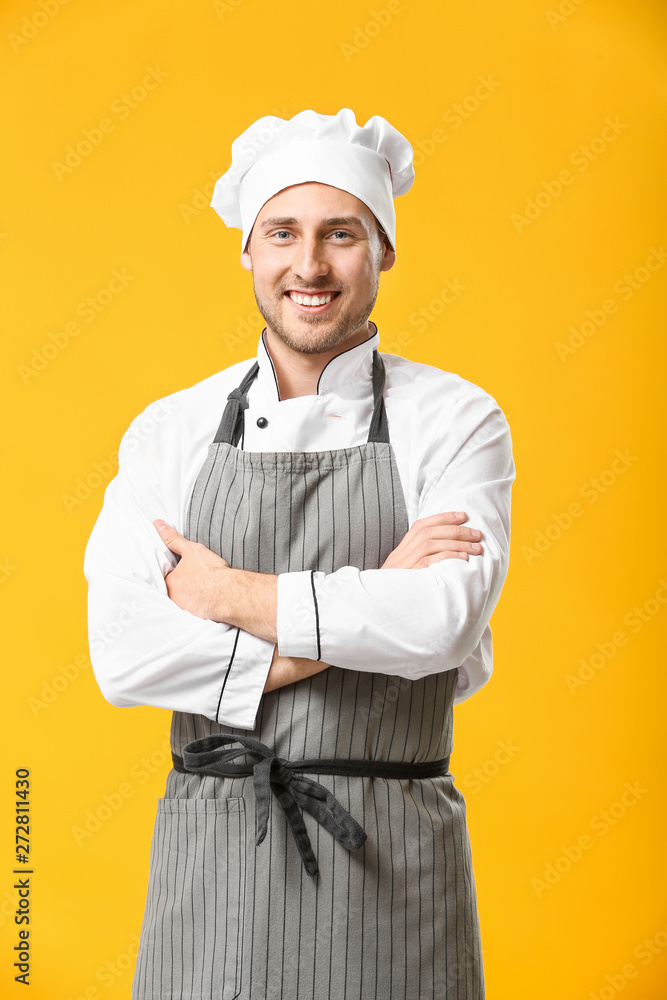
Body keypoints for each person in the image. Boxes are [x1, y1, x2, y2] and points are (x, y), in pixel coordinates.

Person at [83, 107, 516, 1000]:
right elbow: (125, 654)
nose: (309, 265)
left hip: (391, 856)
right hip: (212, 850)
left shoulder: (457, 418)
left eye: (341, 235)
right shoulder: (170, 430)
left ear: (383, 251)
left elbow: (439, 623)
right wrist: (369, 603)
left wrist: (227, 593)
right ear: (248, 249)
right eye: (282, 233)